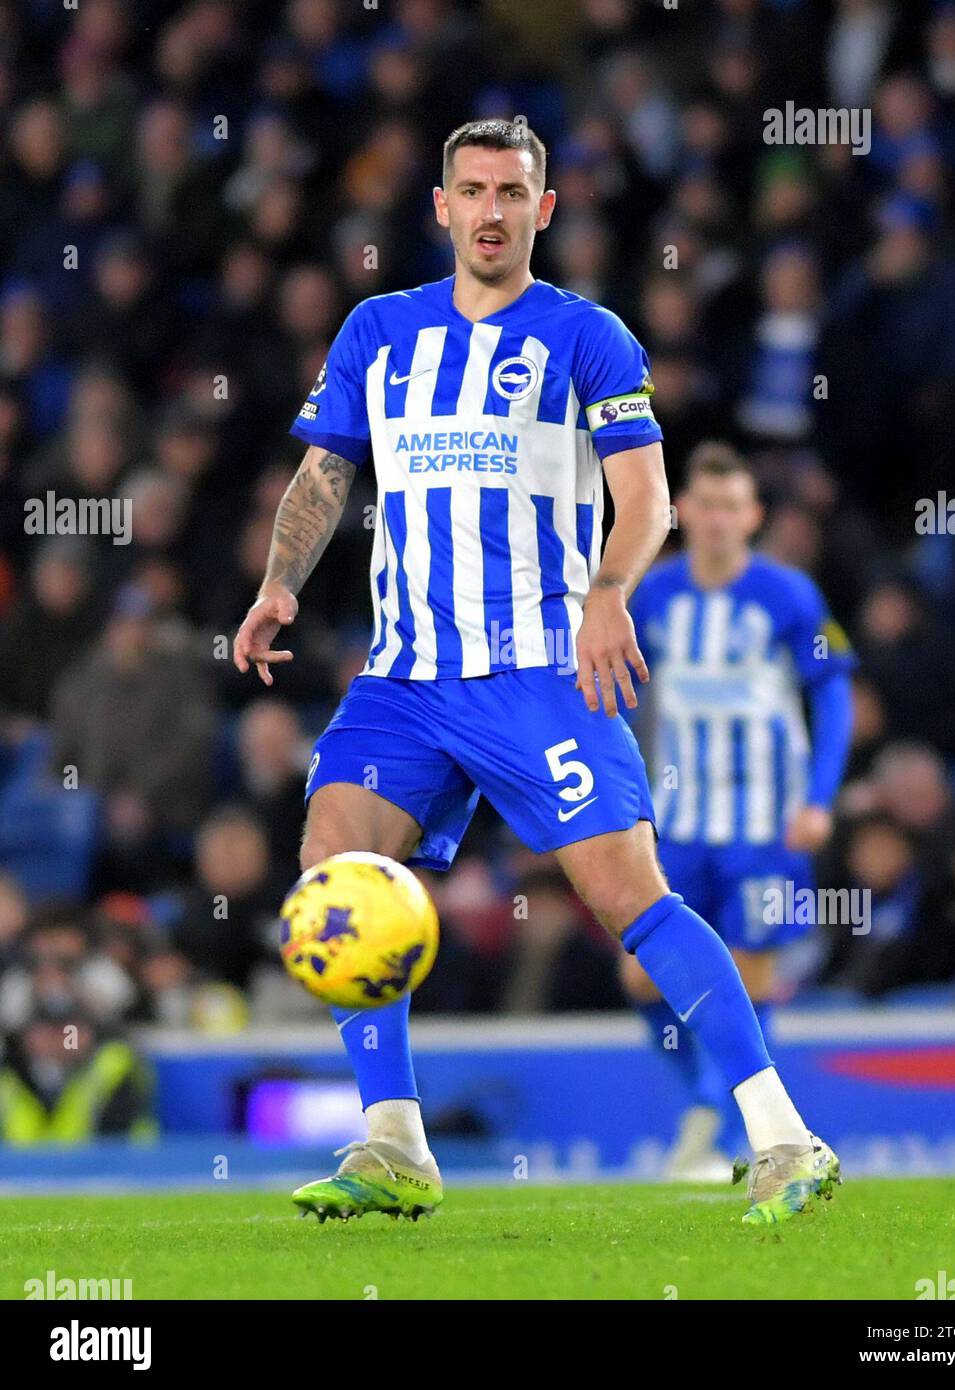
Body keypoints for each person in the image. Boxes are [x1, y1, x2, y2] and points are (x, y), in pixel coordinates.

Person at [234, 118, 840, 1226]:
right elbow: (325, 472)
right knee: (333, 866)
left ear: (543, 210)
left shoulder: (587, 335)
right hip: (408, 676)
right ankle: (394, 1140)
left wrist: (608, 590)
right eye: (473, 190)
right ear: (442, 206)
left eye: (513, 192)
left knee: (628, 897)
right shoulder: (379, 330)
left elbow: (646, 495)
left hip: (538, 668)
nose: (492, 210)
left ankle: (782, 1135)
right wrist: (282, 583)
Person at [621, 443, 855, 1179]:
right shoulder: (653, 597)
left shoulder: (788, 597)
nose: (718, 520)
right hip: (678, 818)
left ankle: (723, 1133)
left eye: (733, 506)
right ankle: (709, 1107)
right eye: (706, 505)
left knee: (750, 978)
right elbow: (621, 696)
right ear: (681, 512)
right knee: (640, 976)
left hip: (763, 822)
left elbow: (833, 692)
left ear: (753, 516)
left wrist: (819, 798)